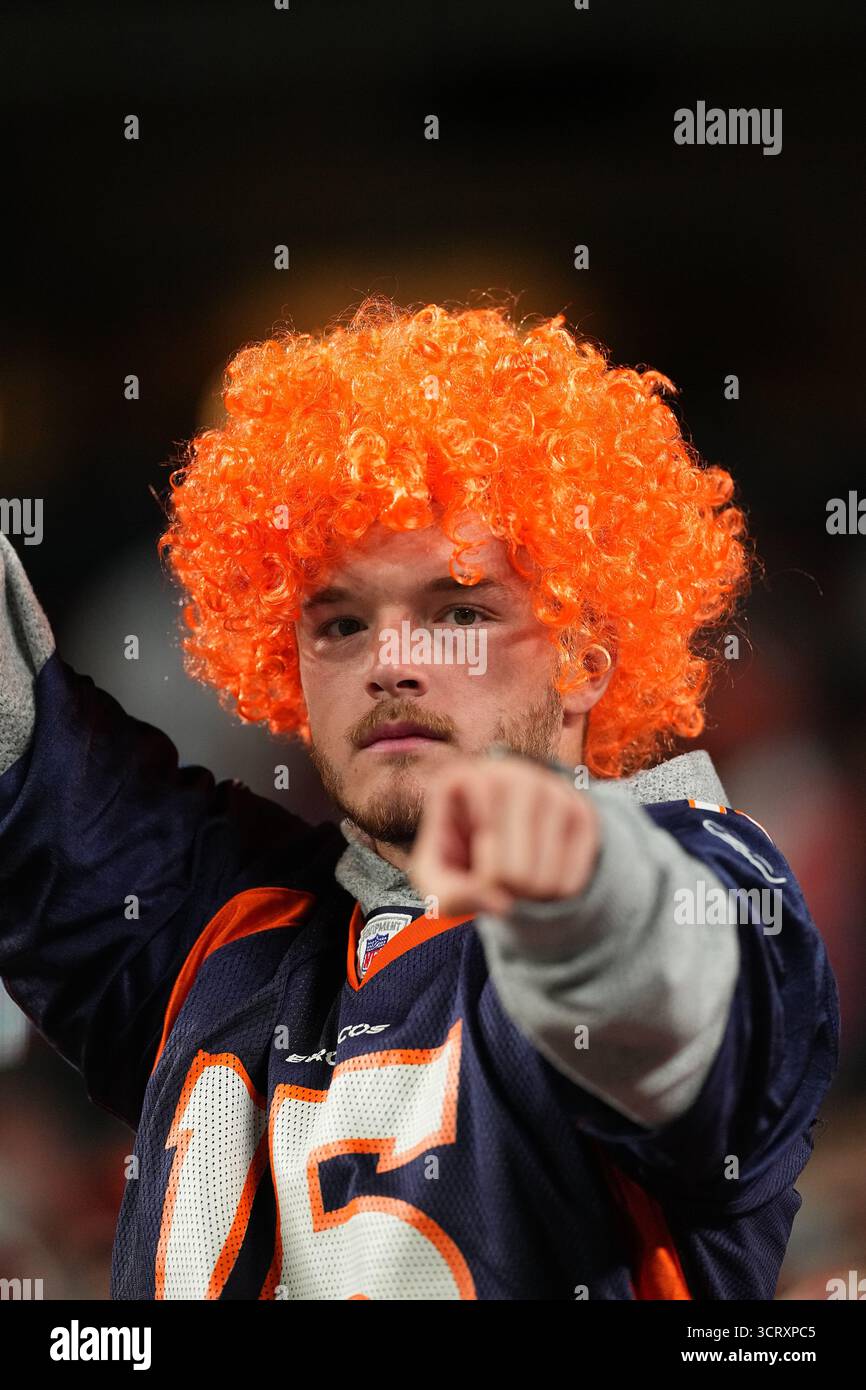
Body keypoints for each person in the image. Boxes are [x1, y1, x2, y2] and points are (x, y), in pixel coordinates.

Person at [0, 298, 839, 1300]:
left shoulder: (712, 881)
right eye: (340, 625)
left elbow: (672, 992)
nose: (392, 662)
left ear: (581, 656)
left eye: (459, 612)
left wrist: (578, 878)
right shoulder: (203, 925)